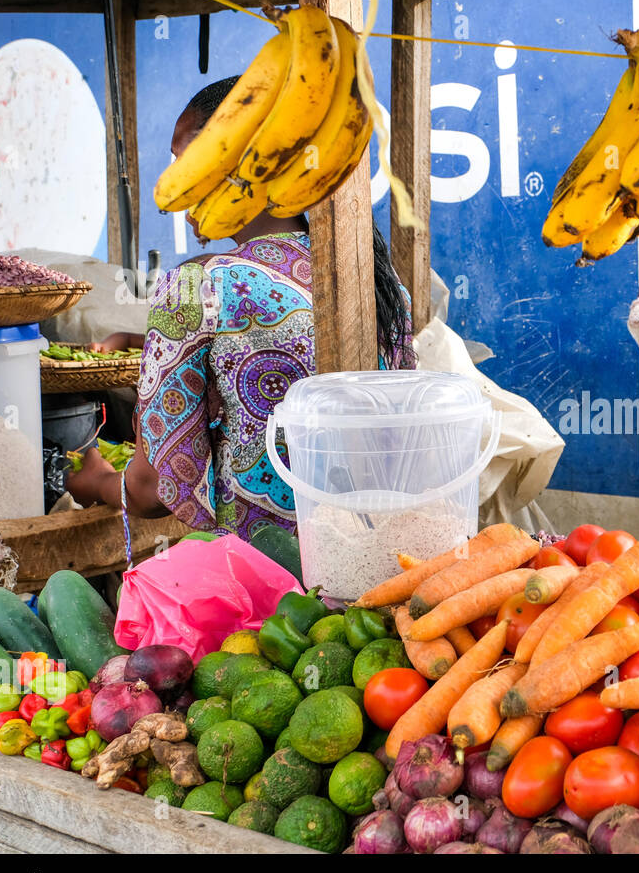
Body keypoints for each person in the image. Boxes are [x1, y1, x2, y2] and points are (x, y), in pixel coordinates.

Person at [66, 76, 416, 538]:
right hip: (383, 556)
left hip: (271, 587)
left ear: (238, 163)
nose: (174, 187)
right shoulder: (377, 280)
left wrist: (97, 482)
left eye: (184, 164)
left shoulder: (197, 286)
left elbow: (153, 489)